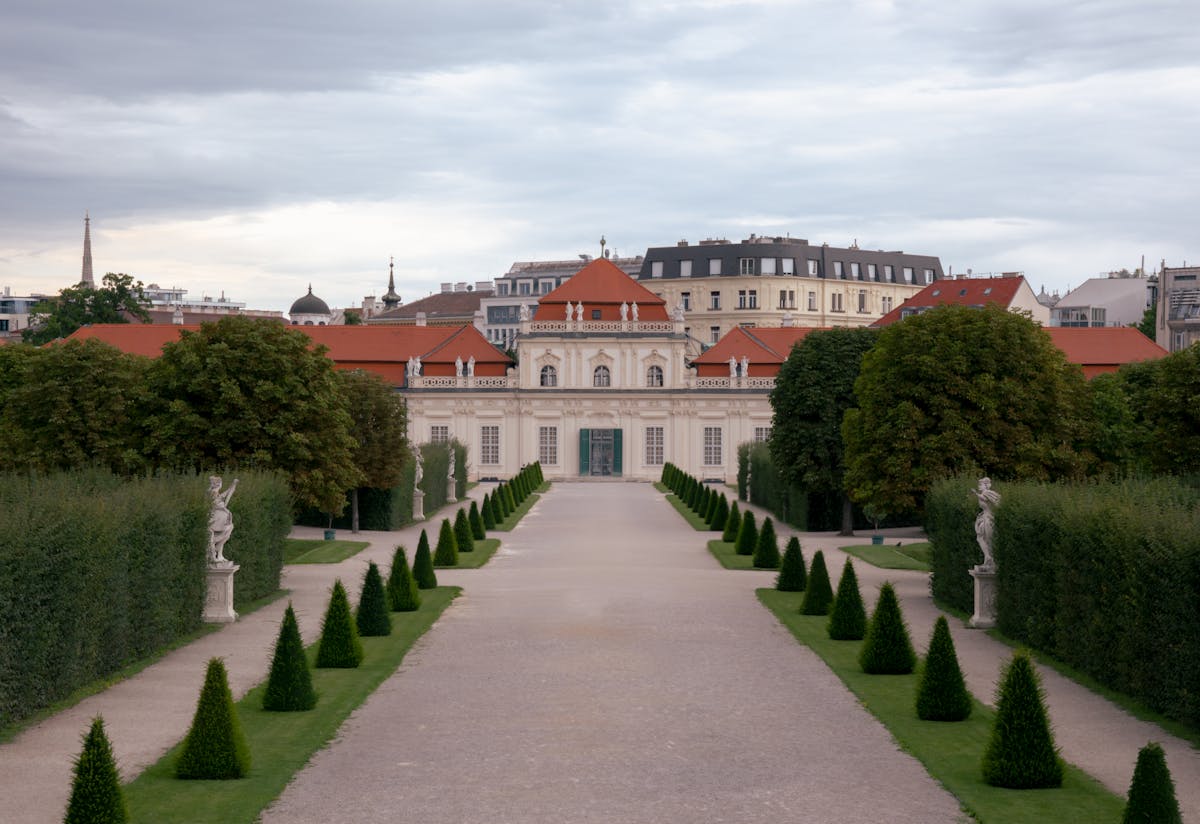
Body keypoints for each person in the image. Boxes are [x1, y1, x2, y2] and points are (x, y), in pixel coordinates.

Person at [208, 476, 238, 566]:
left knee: (227, 531)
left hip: (220, 520)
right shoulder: (212, 493)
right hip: (215, 520)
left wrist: (232, 486)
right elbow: (216, 503)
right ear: (219, 484)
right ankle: (214, 555)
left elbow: (224, 495)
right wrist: (223, 507)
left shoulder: (215, 493)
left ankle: (219, 554)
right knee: (219, 534)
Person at [974, 477, 1000, 569]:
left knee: (989, 539)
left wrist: (976, 494)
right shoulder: (983, 493)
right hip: (983, 517)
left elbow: (989, 500)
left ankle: (990, 560)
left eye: (980, 484)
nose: (979, 486)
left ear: (986, 485)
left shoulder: (987, 493)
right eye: (979, 484)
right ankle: (987, 557)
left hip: (988, 518)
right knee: (980, 538)